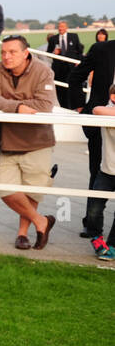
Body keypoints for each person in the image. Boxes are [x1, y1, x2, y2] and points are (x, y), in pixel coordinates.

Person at [0, 35, 57, 250]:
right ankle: (41, 221)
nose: (6, 56)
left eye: (12, 52)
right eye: (3, 52)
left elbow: (44, 104)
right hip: (5, 141)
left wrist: (7, 103)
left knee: (32, 191)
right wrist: (18, 107)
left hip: (37, 141)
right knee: (2, 187)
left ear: (26, 53)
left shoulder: (43, 70)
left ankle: (22, 234)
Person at [69, 33, 115, 237]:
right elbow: (75, 78)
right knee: (97, 173)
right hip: (99, 123)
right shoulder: (101, 49)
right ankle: (92, 225)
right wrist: (81, 108)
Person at [89, 86, 115, 259]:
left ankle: (112, 246)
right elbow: (95, 110)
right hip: (107, 170)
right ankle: (97, 239)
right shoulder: (106, 109)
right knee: (94, 209)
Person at [46, 20, 83, 106]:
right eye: (59, 26)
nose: (60, 28)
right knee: (59, 88)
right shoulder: (53, 39)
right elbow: (48, 53)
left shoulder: (74, 37)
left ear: (66, 27)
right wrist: (53, 53)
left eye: (62, 26)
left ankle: (71, 106)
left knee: (70, 87)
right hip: (58, 68)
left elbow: (79, 51)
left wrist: (77, 62)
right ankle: (62, 106)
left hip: (70, 67)